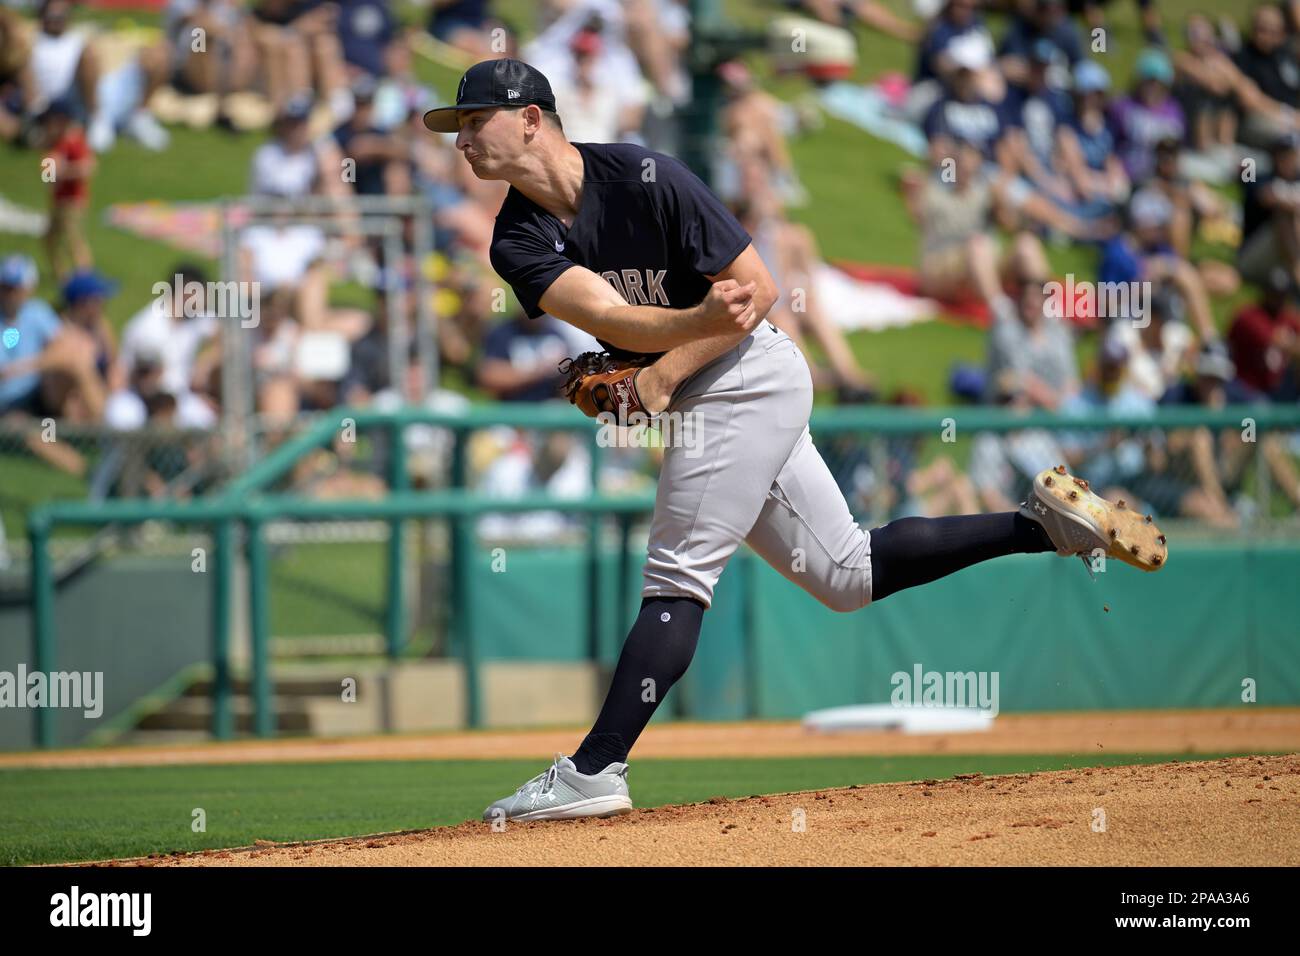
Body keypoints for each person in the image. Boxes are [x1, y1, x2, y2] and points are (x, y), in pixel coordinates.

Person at [421, 58, 1168, 823]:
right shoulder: (515, 236)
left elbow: (762, 290)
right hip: (715, 375)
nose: (463, 140)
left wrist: (669, 368)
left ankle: (595, 768)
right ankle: (1041, 526)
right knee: (845, 574)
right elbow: (612, 319)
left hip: (749, 373)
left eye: (475, 120)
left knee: (678, 573)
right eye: (458, 128)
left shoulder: (648, 176)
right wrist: (683, 340)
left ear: (533, 119)